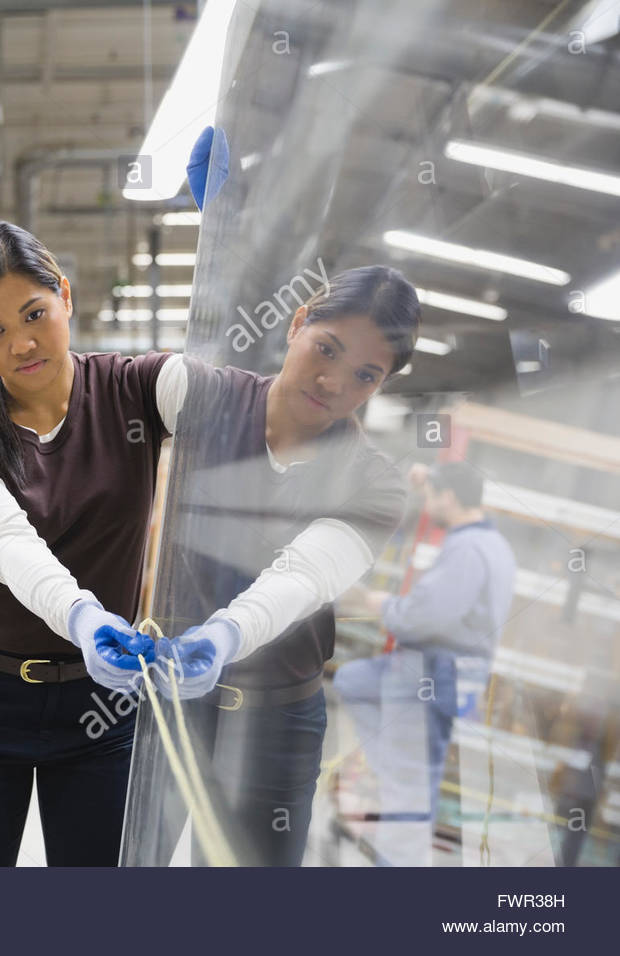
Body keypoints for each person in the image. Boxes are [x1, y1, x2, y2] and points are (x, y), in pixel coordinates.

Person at [120, 264, 421, 868]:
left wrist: (226, 634)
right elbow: (90, 397)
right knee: (134, 863)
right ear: (297, 322)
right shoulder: (207, 401)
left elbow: (304, 576)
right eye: (326, 349)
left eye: (365, 375)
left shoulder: (376, 483)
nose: (334, 382)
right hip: (177, 702)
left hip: (278, 719)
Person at [334, 461, 516, 863]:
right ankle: (392, 784)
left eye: (432, 495)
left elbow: (426, 617)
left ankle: (398, 865)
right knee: (353, 681)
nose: (427, 503)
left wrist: (380, 603)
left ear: (448, 497)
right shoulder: (492, 544)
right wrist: (424, 476)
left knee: (411, 778)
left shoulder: (467, 549)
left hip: (434, 672)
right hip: (449, 672)